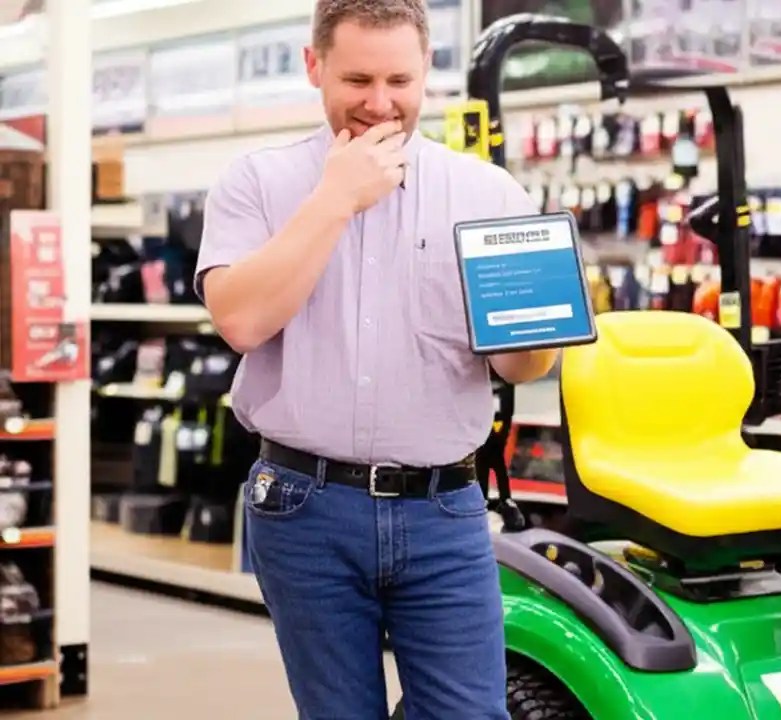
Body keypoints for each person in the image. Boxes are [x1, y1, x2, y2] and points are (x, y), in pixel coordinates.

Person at [193, 1, 558, 717]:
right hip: (304, 509)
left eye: (401, 80)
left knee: (468, 712)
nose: (380, 104)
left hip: (444, 510)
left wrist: (539, 324)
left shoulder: (490, 195)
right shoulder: (257, 184)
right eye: (357, 79)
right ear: (314, 67)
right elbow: (240, 320)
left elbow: (524, 368)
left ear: (426, 74)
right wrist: (335, 199)